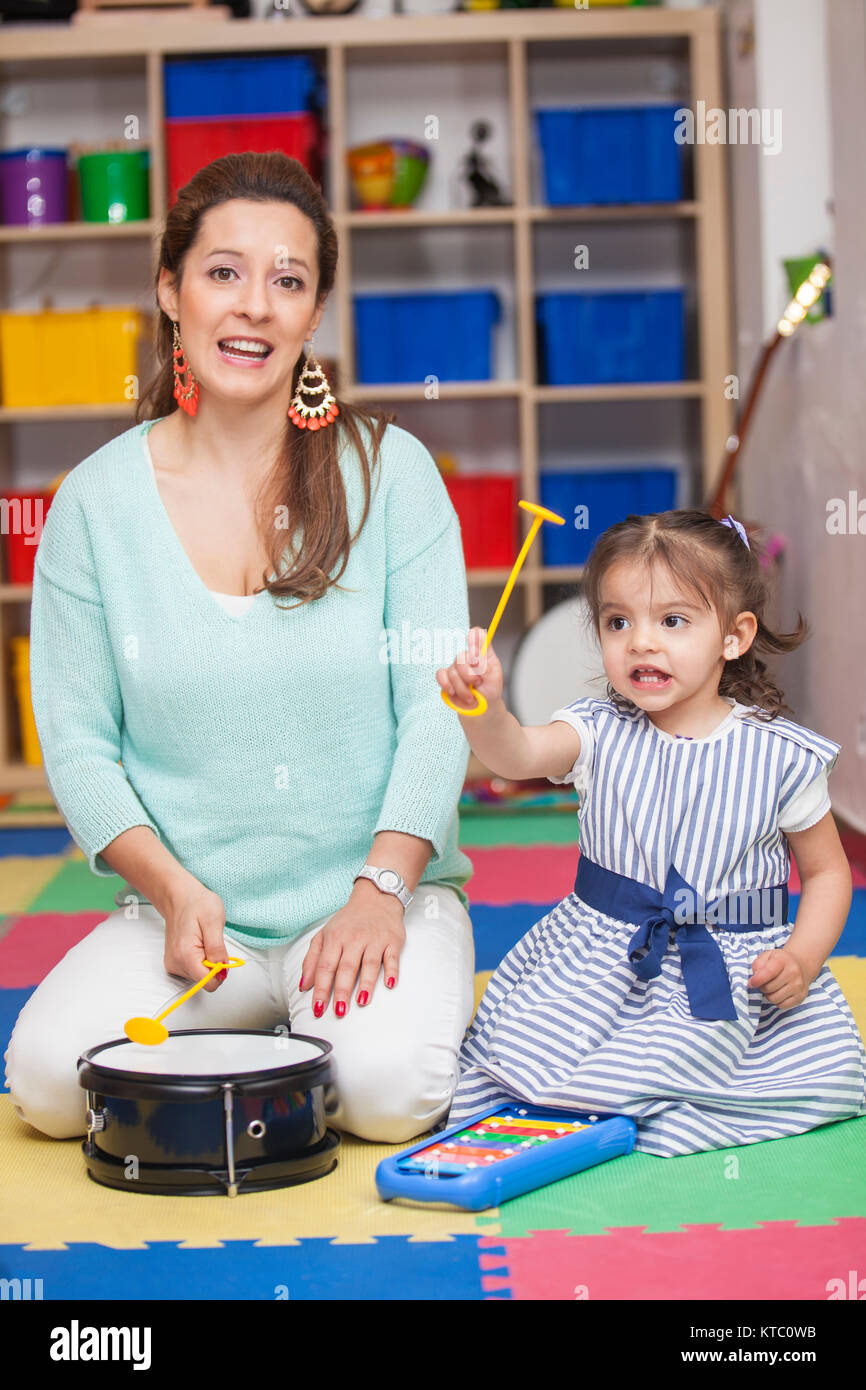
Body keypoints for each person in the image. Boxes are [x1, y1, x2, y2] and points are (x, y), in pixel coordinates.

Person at [5, 151, 476, 1145]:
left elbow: (438, 707)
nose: (252, 305)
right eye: (223, 272)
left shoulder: (393, 474)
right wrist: (172, 893)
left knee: (386, 1095)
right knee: (47, 1085)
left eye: (287, 280)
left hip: (368, 899)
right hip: (192, 929)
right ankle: (273, 1026)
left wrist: (380, 889)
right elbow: (80, 745)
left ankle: (374, 990)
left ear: (314, 315)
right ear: (170, 291)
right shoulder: (92, 504)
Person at [435, 508, 866, 1157]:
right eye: (617, 622)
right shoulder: (597, 729)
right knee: (521, 1067)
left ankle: (660, 1094)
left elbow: (830, 874)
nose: (640, 642)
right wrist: (484, 710)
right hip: (597, 963)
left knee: (797, 1080)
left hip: (729, 971)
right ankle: (615, 1094)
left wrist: (802, 957)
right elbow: (516, 756)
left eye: (672, 620)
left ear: (734, 635)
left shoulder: (780, 756)